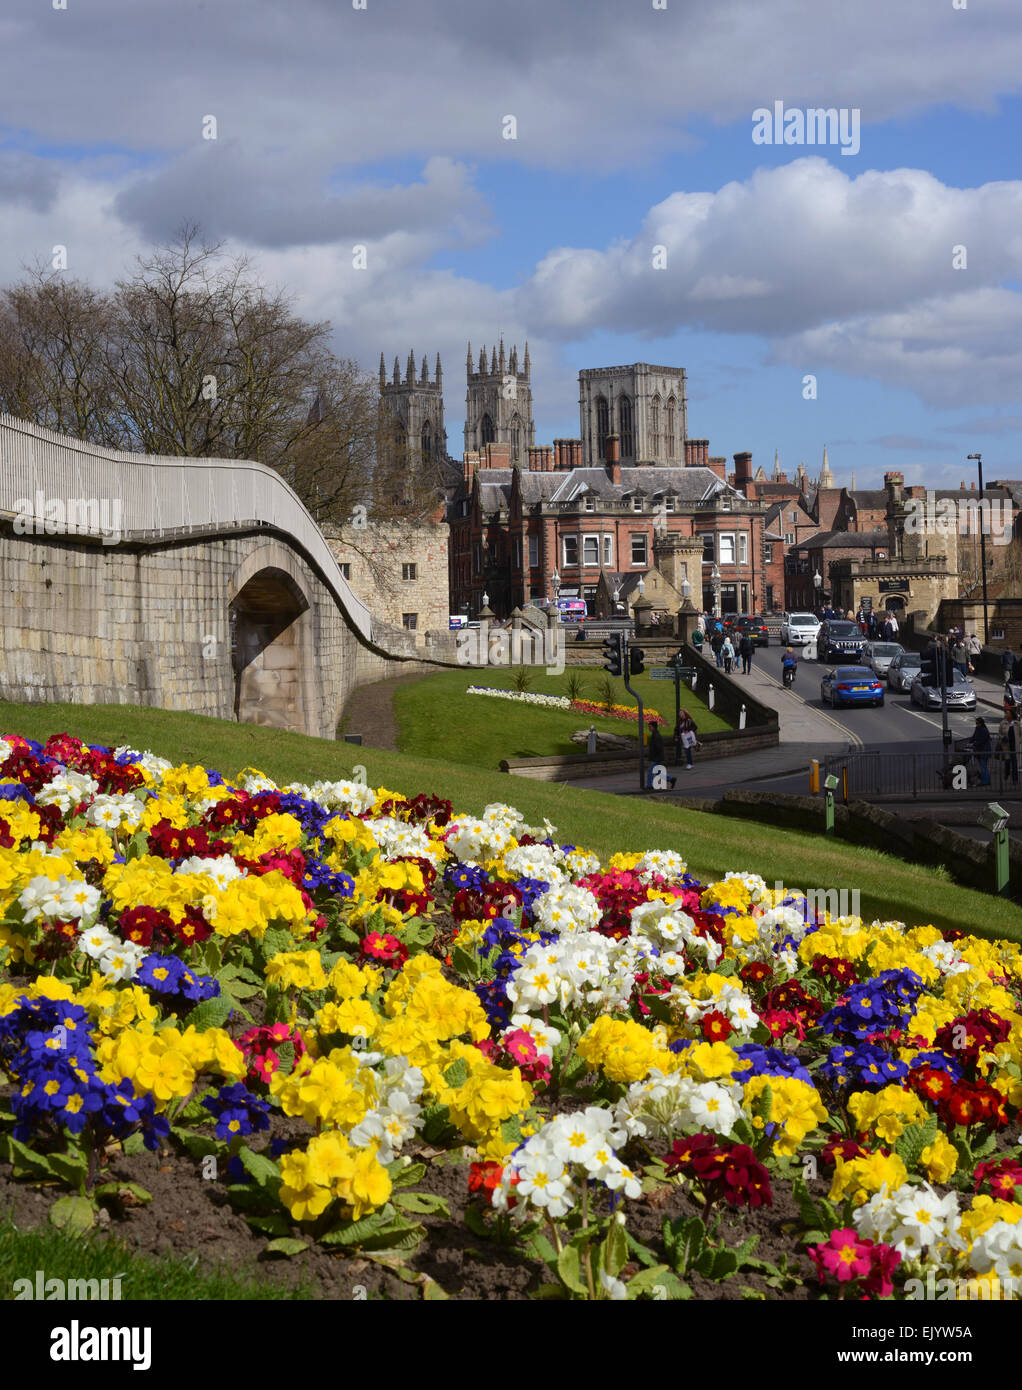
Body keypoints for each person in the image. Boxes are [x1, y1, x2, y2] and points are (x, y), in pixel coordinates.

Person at [646, 720, 676, 789]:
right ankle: (671, 779)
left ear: (654, 727)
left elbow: (658, 748)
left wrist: (655, 757)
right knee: (658, 772)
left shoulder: (656, 735)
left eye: (650, 726)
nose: (649, 728)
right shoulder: (655, 734)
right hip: (657, 757)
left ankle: (649, 786)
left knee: (650, 771)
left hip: (656, 758)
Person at [997, 710, 1019, 785]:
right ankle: (1007, 773)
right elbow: (999, 733)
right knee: (1007, 762)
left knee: (1014, 764)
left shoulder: (1016, 723)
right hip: (1006, 746)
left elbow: (1020, 734)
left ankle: (1015, 780)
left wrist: (1019, 741)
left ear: (1011, 715)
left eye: (1007, 713)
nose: (1006, 714)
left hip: (1014, 746)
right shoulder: (1003, 723)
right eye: (1005, 713)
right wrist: (1002, 737)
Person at [970, 717, 992, 786]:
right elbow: (974, 737)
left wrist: (973, 744)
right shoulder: (977, 729)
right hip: (979, 750)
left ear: (981, 723)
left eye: (977, 723)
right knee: (983, 766)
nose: (976, 725)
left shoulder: (984, 730)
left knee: (983, 767)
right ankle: (987, 781)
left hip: (984, 750)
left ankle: (985, 781)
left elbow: (981, 741)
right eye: (976, 723)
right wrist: (970, 742)